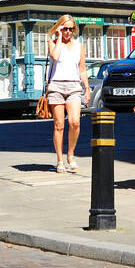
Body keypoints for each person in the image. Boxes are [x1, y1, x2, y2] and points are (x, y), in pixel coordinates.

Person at [46, 15, 91, 173]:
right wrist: (58, 37)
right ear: (59, 28)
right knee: (59, 125)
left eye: (71, 29)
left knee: (75, 122)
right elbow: (55, 56)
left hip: (73, 86)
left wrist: (87, 88)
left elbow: (82, 68)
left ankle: (71, 153)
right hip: (56, 86)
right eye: (65, 28)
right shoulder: (52, 42)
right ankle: (59, 159)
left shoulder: (79, 45)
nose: (68, 32)